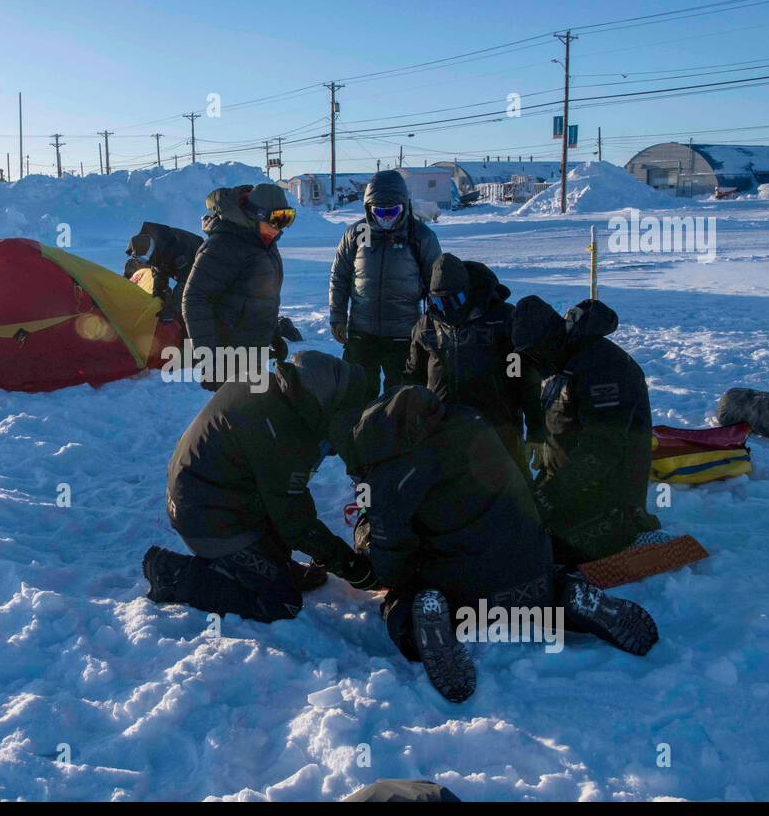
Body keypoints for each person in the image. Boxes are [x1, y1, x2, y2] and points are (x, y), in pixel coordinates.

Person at [335, 385, 659, 702]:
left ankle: (423, 630)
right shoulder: (466, 421)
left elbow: (390, 568)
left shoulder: (388, 477)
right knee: (533, 577)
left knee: (404, 597)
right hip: (532, 564)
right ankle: (566, 594)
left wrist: (365, 530)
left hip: (471, 593)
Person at [142, 351, 370, 623]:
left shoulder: (275, 390)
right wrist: (352, 566)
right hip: (205, 519)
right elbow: (295, 522)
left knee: (277, 551)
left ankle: (272, 567)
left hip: (212, 496)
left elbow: (285, 499)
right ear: (327, 404)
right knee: (281, 602)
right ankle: (174, 573)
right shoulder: (280, 432)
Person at [511, 296, 661, 564]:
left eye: (533, 352)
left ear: (548, 339)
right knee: (508, 526)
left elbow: (603, 450)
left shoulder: (603, 367)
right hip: (571, 486)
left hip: (611, 496)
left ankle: (634, 530)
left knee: (538, 552)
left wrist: (550, 497)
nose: (531, 361)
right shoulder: (561, 361)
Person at [406, 253, 541, 469]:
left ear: (468, 292)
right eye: (439, 302)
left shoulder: (503, 320)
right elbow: (413, 380)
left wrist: (537, 429)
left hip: (498, 429)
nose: (447, 308)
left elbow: (526, 379)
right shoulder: (426, 327)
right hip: (444, 429)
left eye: (454, 299)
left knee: (513, 494)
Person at [329, 169, 442, 400]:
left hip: (404, 335)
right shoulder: (358, 234)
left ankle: (398, 434)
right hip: (362, 332)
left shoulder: (420, 236)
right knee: (356, 394)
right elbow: (339, 278)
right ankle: (358, 432)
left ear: (404, 206)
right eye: (379, 211)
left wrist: (434, 326)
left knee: (402, 397)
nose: (386, 217)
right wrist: (337, 316)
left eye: (392, 211)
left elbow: (436, 284)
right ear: (368, 208)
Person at [181, 184, 295, 388]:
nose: (279, 227)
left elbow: (260, 296)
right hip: (227, 354)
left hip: (252, 351)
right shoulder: (224, 245)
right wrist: (208, 360)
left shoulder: (265, 243)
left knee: (255, 413)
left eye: (286, 219)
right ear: (255, 215)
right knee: (235, 416)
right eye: (276, 219)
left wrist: (273, 333)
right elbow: (194, 299)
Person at [123, 221, 205, 322]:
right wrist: (158, 300)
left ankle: (188, 337)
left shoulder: (176, 249)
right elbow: (159, 275)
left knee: (190, 309)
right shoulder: (156, 248)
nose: (144, 263)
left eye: (144, 259)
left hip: (203, 266)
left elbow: (187, 281)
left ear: (150, 252)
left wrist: (171, 308)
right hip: (185, 269)